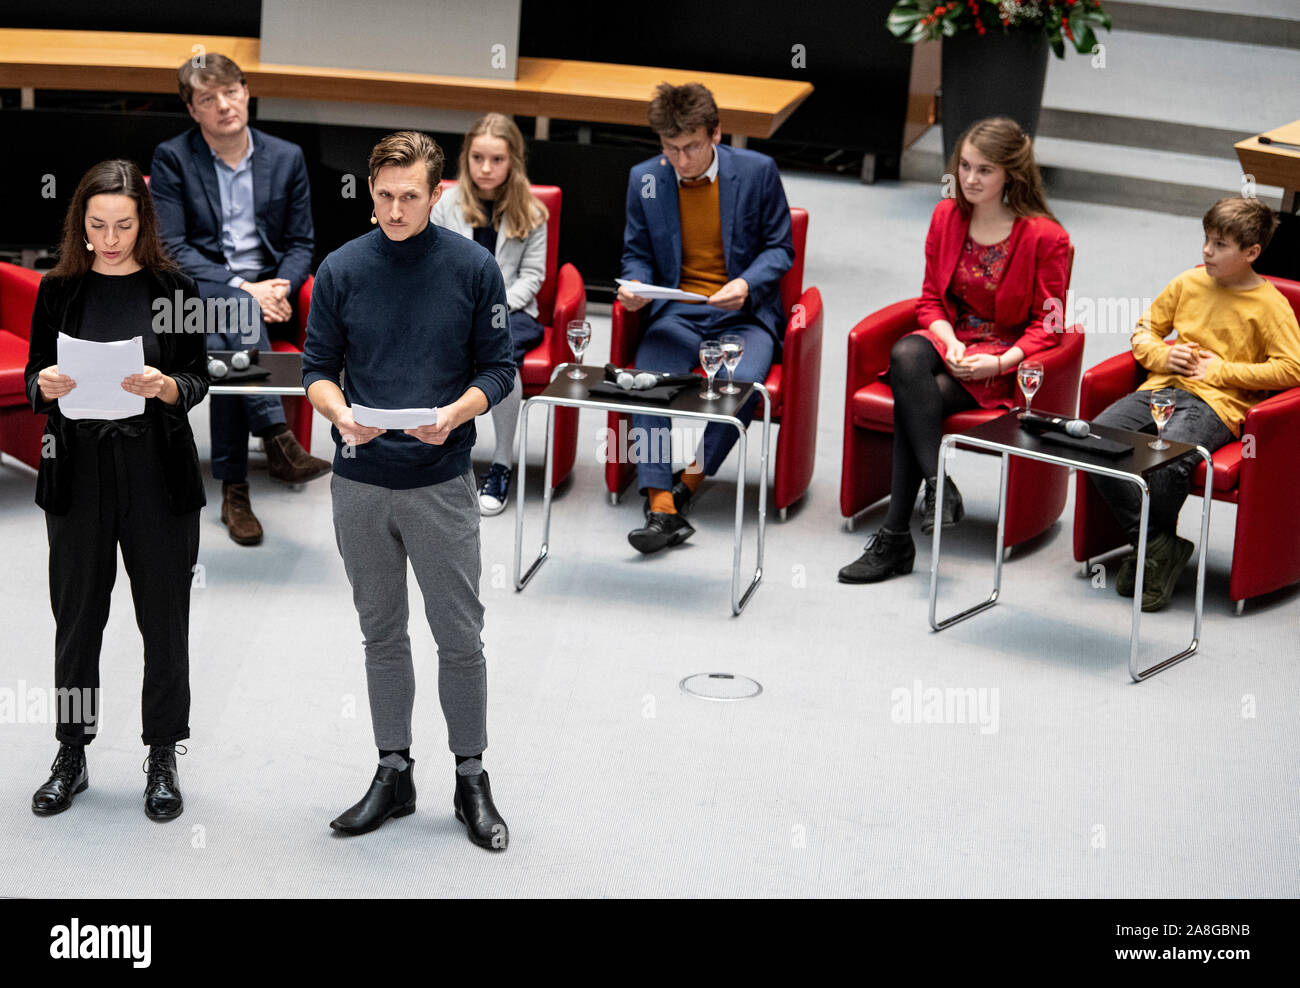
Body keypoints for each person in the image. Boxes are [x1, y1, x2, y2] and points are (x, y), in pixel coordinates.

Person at [302, 131, 515, 850]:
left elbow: (498, 369)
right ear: (370, 192)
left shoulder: (473, 269)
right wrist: (337, 412)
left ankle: (471, 776)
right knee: (381, 633)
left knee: (460, 637)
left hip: (440, 480)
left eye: (411, 197)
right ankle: (393, 771)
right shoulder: (340, 270)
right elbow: (317, 368)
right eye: (384, 196)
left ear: (437, 194)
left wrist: (458, 412)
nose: (395, 211)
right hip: (360, 480)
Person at [24, 160, 208, 821]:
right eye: (98, 225)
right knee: (77, 624)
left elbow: (197, 377)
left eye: (124, 225)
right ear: (81, 224)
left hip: (157, 473)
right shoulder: (61, 289)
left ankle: (162, 755)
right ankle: (70, 754)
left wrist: (167, 387)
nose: (110, 238)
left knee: (164, 623)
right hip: (77, 475)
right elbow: (31, 375)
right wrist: (41, 385)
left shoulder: (174, 286)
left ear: (143, 223)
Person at [838, 117, 1071, 584]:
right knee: (907, 354)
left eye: (984, 170)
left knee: (912, 397)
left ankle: (895, 539)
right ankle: (937, 484)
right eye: (964, 166)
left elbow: (1049, 325)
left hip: (1004, 357)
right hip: (955, 340)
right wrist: (950, 343)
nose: (968, 179)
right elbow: (930, 300)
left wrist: (999, 362)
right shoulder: (947, 216)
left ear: (1011, 174)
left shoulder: (1047, 237)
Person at [151, 52, 330, 547]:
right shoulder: (173, 157)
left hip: (264, 293)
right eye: (208, 99)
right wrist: (245, 289)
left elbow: (300, 244)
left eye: (231, 92)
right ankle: (275, 437)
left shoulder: (286, 156)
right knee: (238, 310)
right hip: (198, 289)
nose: (224, 105)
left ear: (246, 93)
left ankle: (236, 489)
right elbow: (174, 247)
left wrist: (281, 287)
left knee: (232, 347)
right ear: (193, 110)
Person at [1089, 197, 1300, 611]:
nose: (1206, 251)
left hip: (1217, 403)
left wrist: (1223, 371)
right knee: (1094, 440)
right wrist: (1163, 356)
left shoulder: (1271, 306)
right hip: (1161, 389)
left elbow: (1292, 369)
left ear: (1252, 252)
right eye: (1206, 239)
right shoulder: (1188, 282)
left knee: (1169, 460)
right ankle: (1156, 545)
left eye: (1220, 245)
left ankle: (1150, 552)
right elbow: (1145, 331)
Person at [617, 82, 794, 554]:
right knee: (644, 381)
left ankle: (688, 484)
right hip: (679, 312)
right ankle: (660, 502)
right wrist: (634, 286)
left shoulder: (758, 171)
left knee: (745, 387)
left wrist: (747, 284)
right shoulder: (645, 179)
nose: (681, 160)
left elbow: (781, 248)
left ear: (716, 133)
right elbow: (636, 254)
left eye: (691, 147)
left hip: (744, 315)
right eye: (670, 149)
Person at [431, 112, 549, 515]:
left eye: (496, 159)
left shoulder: (532, 212)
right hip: (455, 308)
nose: (485, 168)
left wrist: (492, 308)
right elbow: (434, 267)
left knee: (501, 360)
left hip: (512, 310)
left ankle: (501, 463)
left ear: (513, 161)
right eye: (477, 157)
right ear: (465, 158)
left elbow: (532, 278)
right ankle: (441, 455)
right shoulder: (444, 203)